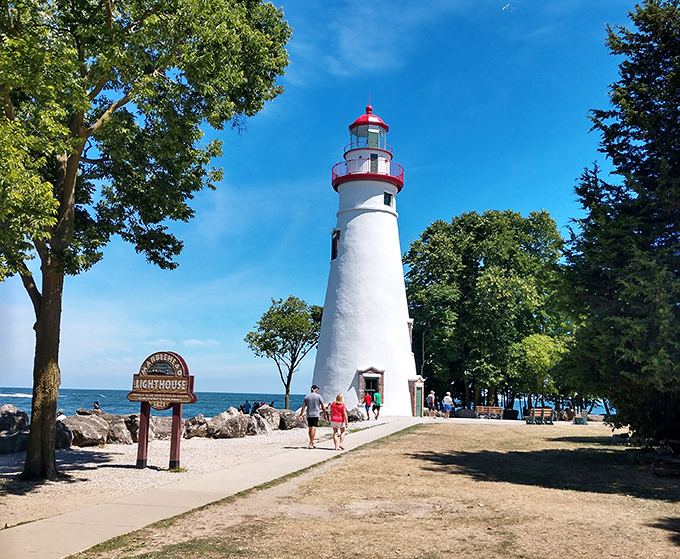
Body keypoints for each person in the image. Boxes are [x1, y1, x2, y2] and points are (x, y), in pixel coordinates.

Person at [299, 385, 328, 449]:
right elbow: (323, 406)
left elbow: (303, 406)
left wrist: (301, 414)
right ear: (315, 389)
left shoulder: (307, 396)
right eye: (317, 389)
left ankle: (311, 442)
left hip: (309, 414)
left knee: (310, 428)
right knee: (313, 428)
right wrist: (325, 415)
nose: (318, 390)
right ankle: (310, 443)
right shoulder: (319, 396)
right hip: (315, 414)